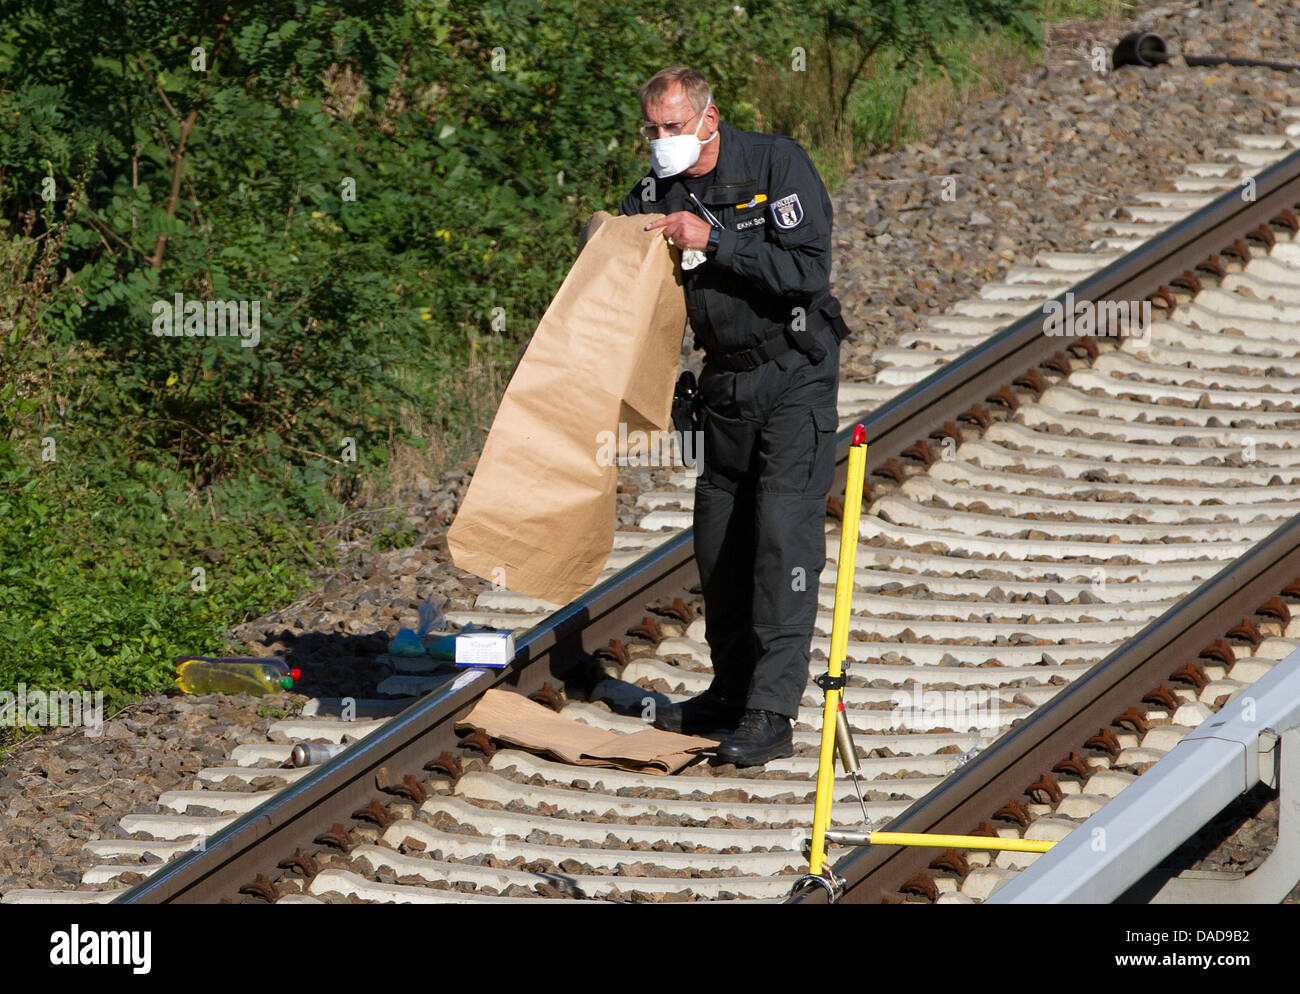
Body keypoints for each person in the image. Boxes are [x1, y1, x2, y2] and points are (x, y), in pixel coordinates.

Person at [618, 67, 848, 767]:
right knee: (718, 544)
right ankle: (729, 690)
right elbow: (631, 294)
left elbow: (808, 271)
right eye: (652, 130)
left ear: (709, 121)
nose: (663, 141)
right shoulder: (654, 195)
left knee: (782, 540)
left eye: (675, 127)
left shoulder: (775, 164)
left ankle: (771, 712)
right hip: (721, 384)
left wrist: (716, 239)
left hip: (793, 370)